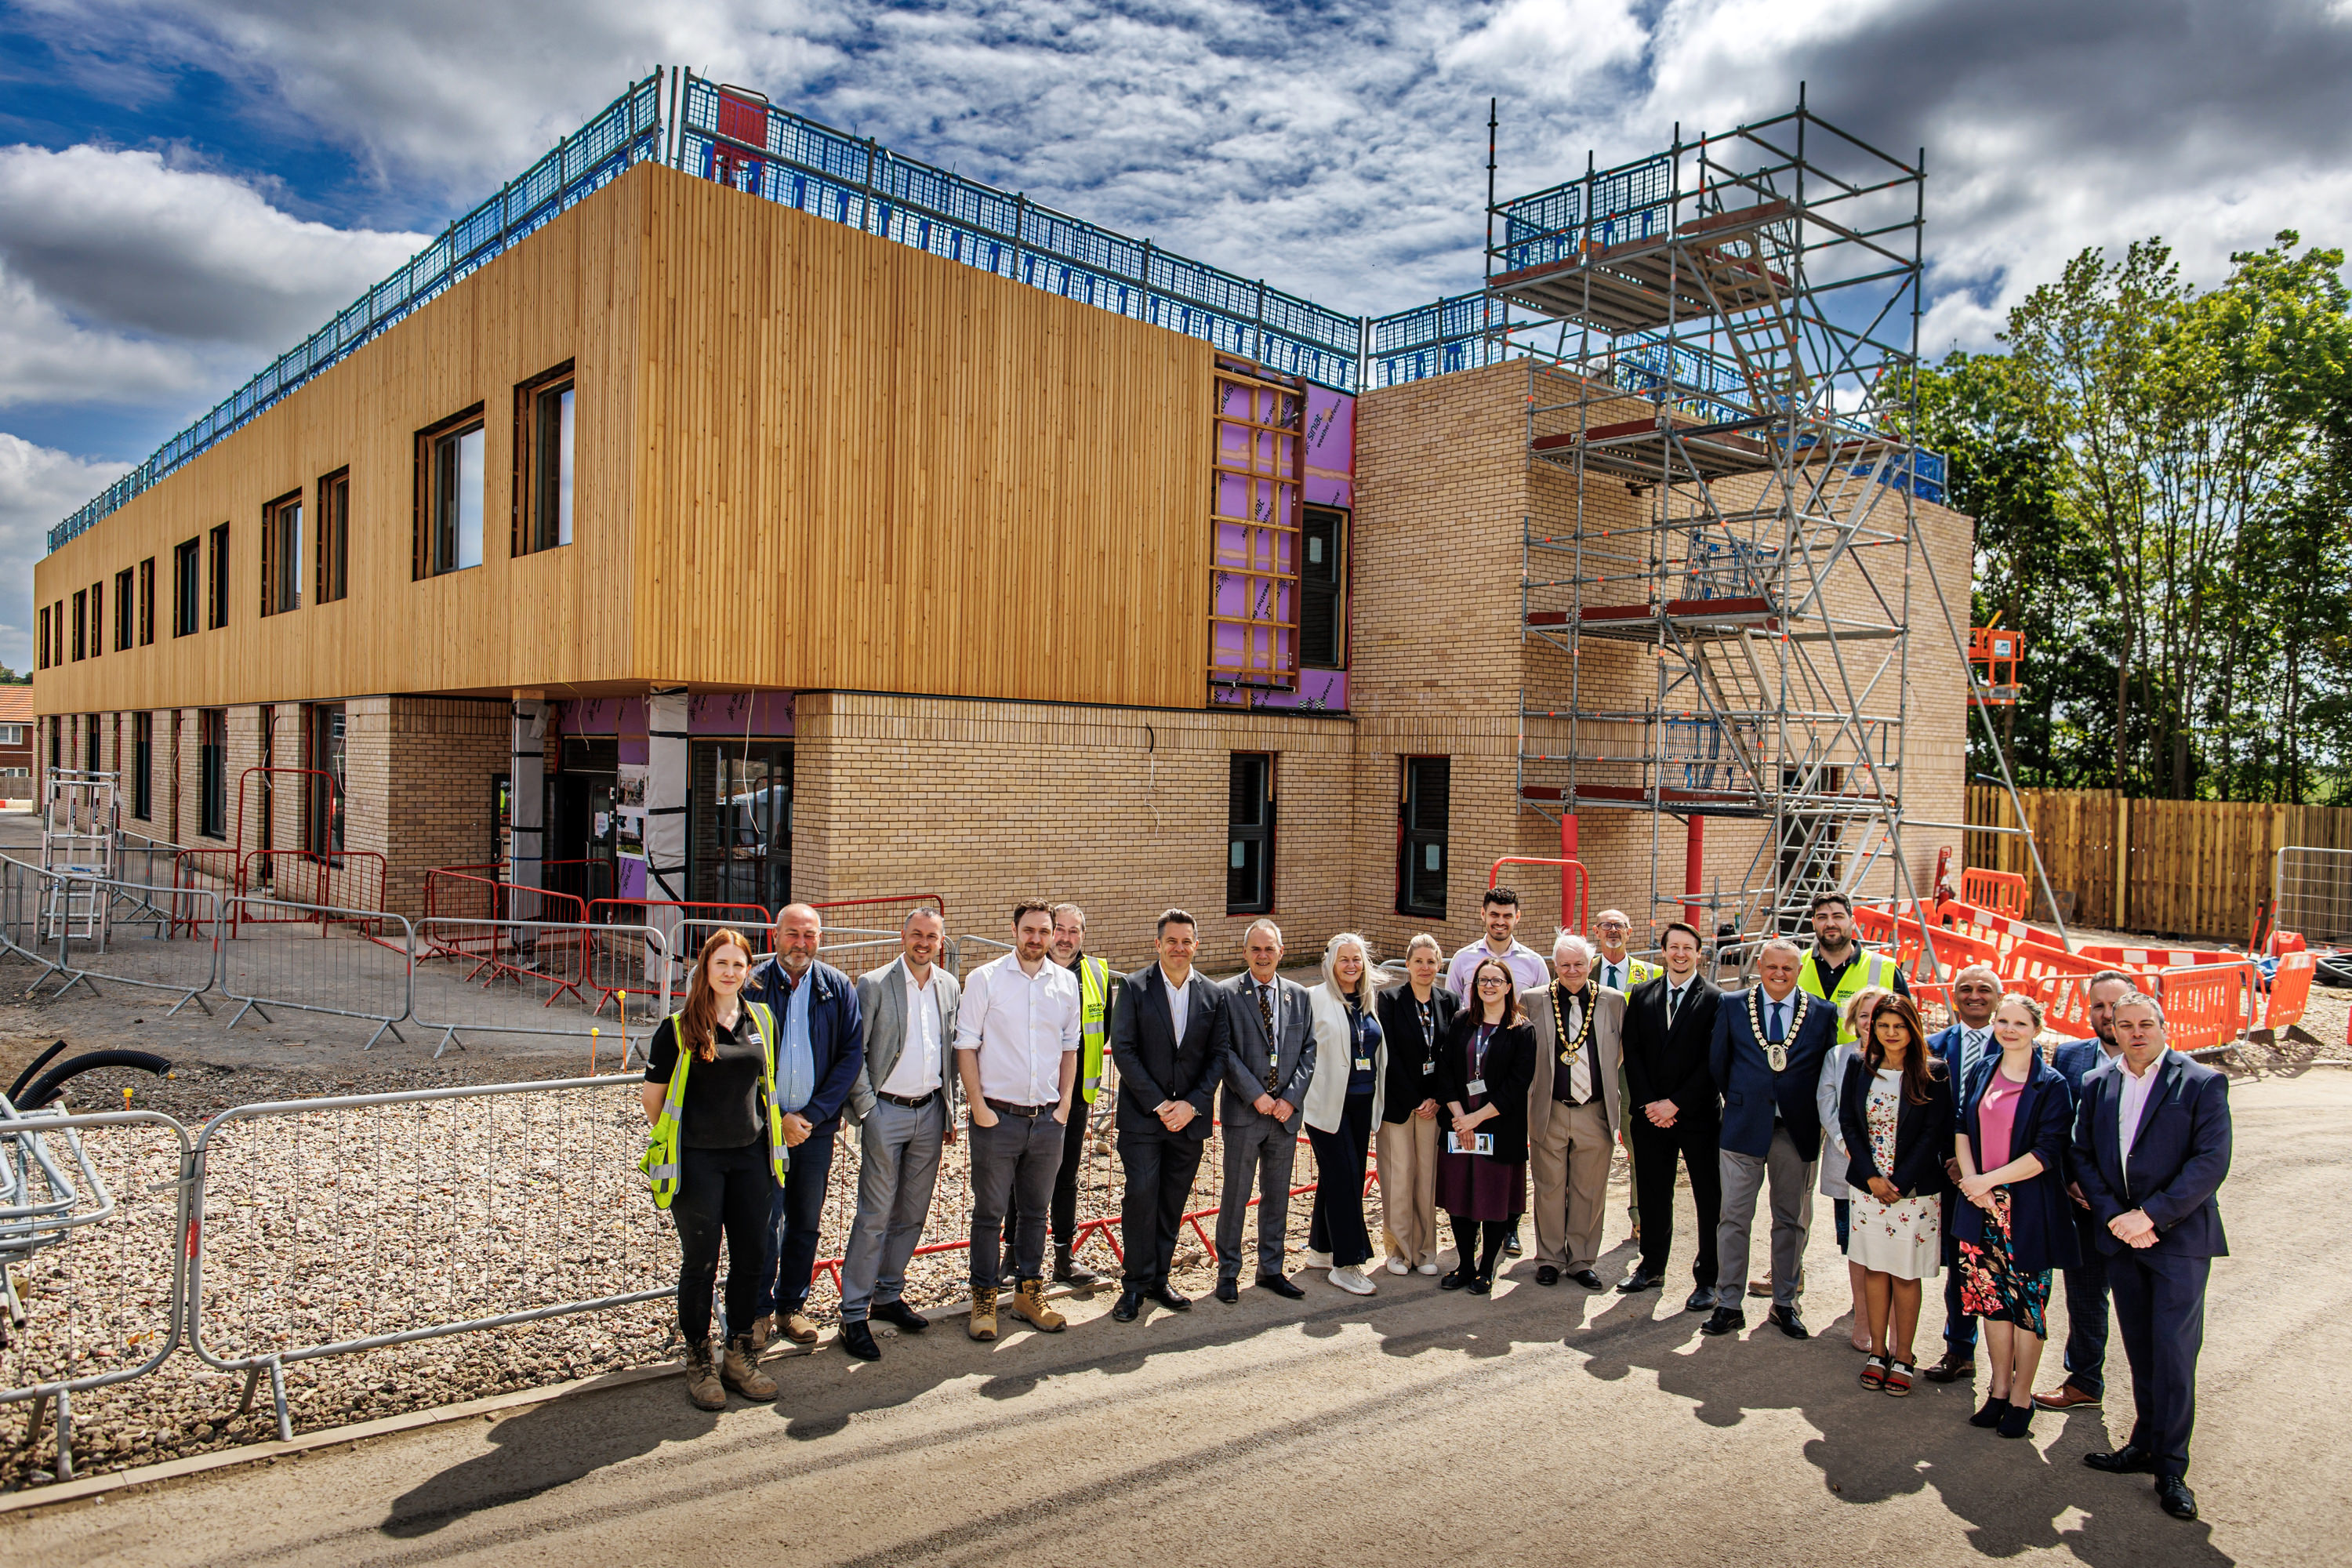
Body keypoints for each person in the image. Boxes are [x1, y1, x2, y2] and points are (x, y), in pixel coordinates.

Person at [2071, 992, 2232, 1523]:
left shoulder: (2202, 1082)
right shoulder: (2098, 1084)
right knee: (2140, 1345)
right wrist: (2117, 1214)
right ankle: (2143, 1442)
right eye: (2125, 1024)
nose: (2136, 1032)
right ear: (2112, 1029)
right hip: (2121, 1236)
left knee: (2175, 1353)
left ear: (2165, 1027)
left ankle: (2172, 1466)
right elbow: (2083, 1154)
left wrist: (2151, 1216)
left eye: (2146, 1024)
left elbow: (2210, 1162)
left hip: (2180, 1241)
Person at [639, 929, 788, 1409]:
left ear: (749, 971)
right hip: (698, 1163)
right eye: (721, 963)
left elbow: (765, 1085)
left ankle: (740, 1353)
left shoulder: (761, 1019)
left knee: (751, 1258)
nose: (729, 972)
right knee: (701, 1264)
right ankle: (699, 1359)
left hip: (751, 1159)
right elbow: (654, 1100)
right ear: (705, 968)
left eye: (738, 965)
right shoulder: (678, 1027)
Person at [837, 909, 962, 1362]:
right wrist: (867, 1109)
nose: (923, 942)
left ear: (941, 941)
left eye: (932, 936)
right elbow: (856, 1050)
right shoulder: (873, 984)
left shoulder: (949, 986)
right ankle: (852, 1314)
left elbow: (953, 1052)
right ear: (902, 936)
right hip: (885, 1112)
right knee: (874, 1214)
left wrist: (951, 1110)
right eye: (916, 934)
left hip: (929, 1112)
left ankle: (887, 1296)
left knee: (912, 1212)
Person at [1954, 993, 2080, 1438]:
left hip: (2027, 1210)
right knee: (1992, 1305)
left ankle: (2022, 1397)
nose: (2009, 1029)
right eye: (2002, 1021)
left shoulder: (2052, 1084)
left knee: (2027, 1308)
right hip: (1980, 1207)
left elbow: (2046, 1153)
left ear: (2037, 1030)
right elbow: (1962, 1128)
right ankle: (1998, 1390)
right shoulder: (1983, 1070)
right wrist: (1973, 1183)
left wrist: (1988, 1182)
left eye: (2019, 1023)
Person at [954, 901, 1081, 1341]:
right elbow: (966, 1045)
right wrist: (979, 1107)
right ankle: (985, 1297)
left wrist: (1064, 1107)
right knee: (989, 1213)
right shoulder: (984, 980)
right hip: (997, 1118)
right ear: (1014, 930)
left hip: (1048, 1121)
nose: (1037, 939)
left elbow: (1071, 1048)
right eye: (1029, 930)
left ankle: (1029, 1293)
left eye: (1044, 932)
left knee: (1035, 1212)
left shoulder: (1066, 984)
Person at [741, 902, 864, 1352]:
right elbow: (738, 1059)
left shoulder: (836, 987)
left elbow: (851, 1055)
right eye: (793, 934)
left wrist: (810, 1116)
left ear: (820, 938)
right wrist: (777, 1118)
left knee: (805, 1222)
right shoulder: (751, 983)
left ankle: (791, 1306)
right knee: (762, 1221)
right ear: (776, 936)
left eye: (809, 935)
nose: (801, 943)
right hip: (760, 1129)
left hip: (814, 1129)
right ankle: (756, 1312)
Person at [1705, 937, 1838, 1340]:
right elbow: (1718, 1063)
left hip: (1796, 1131)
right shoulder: (1731, 1005)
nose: (1779, 975)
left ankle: (1785, 1303)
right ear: (1759, 965)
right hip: (1744, 1128)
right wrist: (1747, 1101)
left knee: (1791, 1220)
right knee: (1733, 1219)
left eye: (1788, 968)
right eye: (1772, 967)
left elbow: (1825, 1071)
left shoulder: (1821, 1012)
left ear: (1799, 971)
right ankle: (1728, 1304)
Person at [1107, 909, 1230, 1323]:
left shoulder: (1214, 995)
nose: (1180, 948)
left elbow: (1218, 1057)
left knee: (1172, 1202)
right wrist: (1162, 1104)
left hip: (1189, 1122)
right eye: (1172, 941)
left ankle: (1159, 1278)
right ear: (1157, 944)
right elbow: (1123, 1050)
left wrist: (1191, 1105)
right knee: (1142, 1196)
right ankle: (1134, 1286)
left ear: (1197, 944)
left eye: (1187, 941)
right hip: (1144, 1119)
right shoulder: (1134, 987)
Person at [2031, 969, 2137, 1415]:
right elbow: (2060, 1125)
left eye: (2117, 1006)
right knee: (2086, 1296)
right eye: (2099, 1006)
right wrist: (2071, 1179)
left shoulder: (2157, 1060)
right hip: (2081, 1202)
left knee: (2141, 1303)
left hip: (2137, 1210)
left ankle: (2155, 1398)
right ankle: (2085, 1381)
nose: (2108, 1015)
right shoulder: (2071, 1056)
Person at [1840, 994, 1954, 1397]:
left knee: (1905, 1274)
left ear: (1913, 1029)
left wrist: (1899, 1183)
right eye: (1883, 1025)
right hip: (1869, 1190)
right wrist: (1871, 1177)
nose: (1890, 1033)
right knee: (1874, 1269)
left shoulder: (1934, 1072)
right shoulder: (1859, 1065)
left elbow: (1933, 1134)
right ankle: (1878, 1351)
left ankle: (1903, 1355)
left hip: (1914, 1193)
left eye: (1899, 1026)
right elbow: (1848, 1122)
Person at [1002, 904, 1114, 1287]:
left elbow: (1104, 1030)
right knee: (1022, 1178)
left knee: (1066, 1177)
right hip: (1030, 1096)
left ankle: (1064, 1256)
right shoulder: (1027, 972)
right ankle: (1012, 1254)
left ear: (1083, 935)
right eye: (1059, 930)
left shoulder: (1097, 974)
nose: (1065, 938)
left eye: (1074, 931)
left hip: (1076, 1096)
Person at [1619, 921, 1723, 1309]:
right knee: (1652, 1191)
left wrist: (1675, 1104)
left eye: (1688, 948)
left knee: (1707, 1197)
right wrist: (1650, 1103)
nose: (1680, 954)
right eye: (1673, 947)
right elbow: (1633, 1051)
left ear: (1699, 954)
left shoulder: (1715, 999)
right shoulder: (1642, 994)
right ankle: (1651, 1265)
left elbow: (1713, 1062)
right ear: (1663, 951)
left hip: (1696, 1116)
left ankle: (1708, 1277)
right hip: (1650, 1116)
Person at [1214, 918, 1316, 1302]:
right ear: (1245, 953)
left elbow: (1309, 1049)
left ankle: (1270, 1269)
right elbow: (1222, 1051)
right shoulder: (1225, 993)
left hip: (1285, 1117)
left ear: (1281, 952)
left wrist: (1291, 1098)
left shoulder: (1298, 995)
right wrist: (1256, 1094)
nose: (1262, 955)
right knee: (1235, 1195)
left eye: (1269, 949)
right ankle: (1228, 1272)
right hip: (1245, 1112)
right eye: (1255, 949)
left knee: (1278, 1196)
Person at [1522, 931, 1624, 1290]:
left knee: (1590, 1189)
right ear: (1554, 966)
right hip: (1550, 1109)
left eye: (1579, 963)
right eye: (1564, 964)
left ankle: (1581, 1259)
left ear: (1591, 964)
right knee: (1549, 1187)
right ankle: (1549, 1258)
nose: (1572, 970)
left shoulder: (1613, 1001)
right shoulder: (1532, 1001)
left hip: (1594, 1111)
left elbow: (1617, 1053)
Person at [1921, 964, 2005, 1385]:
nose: (1975, 995)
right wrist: (1949, 1160)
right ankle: (1959, 1350)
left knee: (1996, 1269)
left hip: (1998, 1178)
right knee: (1958, 1266)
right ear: (1954, 996)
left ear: (1997, 998)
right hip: (1947, 1177)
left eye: (1984, 989)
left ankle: (2005, 1364)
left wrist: (1979, 1166)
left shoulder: (2015, 1044)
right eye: (1966, 989)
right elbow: (1926, 1112)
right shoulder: (1932, 1046)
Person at [1434, 956, 1537, 1294]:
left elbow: (1516, 1086)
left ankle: (1486, 1269)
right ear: (1474, 987)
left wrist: (1475, 1120)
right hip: (1459, 1128)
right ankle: (1464, 1265)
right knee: (1460, 1199)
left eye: (1496, 980)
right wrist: (1459, 1118)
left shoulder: (1523, 1030)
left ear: (1509, 987)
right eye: (1482, 981)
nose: (1489, 986)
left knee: (1494, 1202)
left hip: (1498, 1129)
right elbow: (1446, 1070)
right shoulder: (1462, 1021)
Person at [1301, 931, 1386, 1296]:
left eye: (1357, 960)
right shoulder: (1315, 999)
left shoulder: (1368, 999)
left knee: (1338, 1176)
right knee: (1347, 1176)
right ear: (1330, 964)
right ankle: (1347, 1263)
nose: (1351, 966)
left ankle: (1321, 1250)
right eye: (1344, 960)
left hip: (1362, 1102)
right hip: (1326, 1104)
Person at [1373, 935, 1454, 1276]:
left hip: (1434, 1107)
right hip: (1400, 1106)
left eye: (1431, 962)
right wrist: (1416, 1099)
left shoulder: (1448, 1000)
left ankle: (1424, 1251)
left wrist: (1436, 1098)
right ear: (1407, 964)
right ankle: (1398, 1251)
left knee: (1426, 1179)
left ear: (1439, 967)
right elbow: (1387, 1056)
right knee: (1399, 1178)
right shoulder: (1389, 1000)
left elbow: (1450, 1056)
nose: (1425, 968)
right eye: (1419, 961)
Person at [1817, 984, 1892, 1352]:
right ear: (1854, 1020)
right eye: (1864, 1014)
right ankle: (1862, 1317)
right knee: (1857, 1248)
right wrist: (1857, 1154)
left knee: (1893, 1249)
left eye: (1878, 1013)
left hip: (1894, 1174)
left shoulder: (1906, 1058)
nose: (1871, 1021)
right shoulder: (1837, 1056)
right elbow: (1828, 1106)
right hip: (1849, 1169)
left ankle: (1892, 1322)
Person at [1592, 907, 1661, 1241]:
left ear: (1630, 932)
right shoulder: (1581, 971)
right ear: (1597, 932)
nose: (1613, 931)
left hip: (1635, 1073)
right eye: (1607, 926)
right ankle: (1585, 1220)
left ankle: (1640, 1214)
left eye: (1619, 926)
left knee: (1637, 1144)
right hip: (1592, 1071)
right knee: (1592, 1143)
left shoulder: (1652, 974)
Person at [1798, 892, 1911, 1044]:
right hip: (1805, 1065)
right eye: (1822, 917)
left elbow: (1909, 1026)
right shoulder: (1795, 965)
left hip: (1864, 1064)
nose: (1830, 923)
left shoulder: (1885, 968)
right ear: (1813, 923)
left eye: (1838, 916)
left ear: (1852, 921)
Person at [1445, 886, 1551, 1002]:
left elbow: (1542, 1011)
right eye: (1494, 915)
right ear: (1483, 914)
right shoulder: (1462, 959)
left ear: (1517, 917)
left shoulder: (1535, 963)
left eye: (1507, 916)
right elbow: (1451, 1008)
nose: (1500, 922)